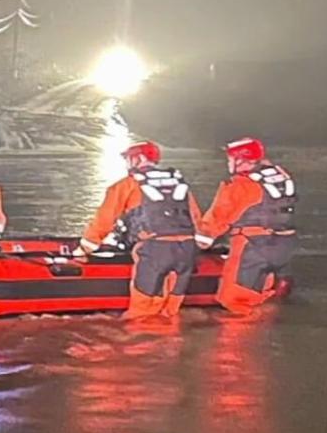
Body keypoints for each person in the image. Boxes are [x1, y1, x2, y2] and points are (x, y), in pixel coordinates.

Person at [77, 140, 205, 320]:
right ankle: (170, 344)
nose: (127, 164)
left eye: (129, 159)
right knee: (170, 311)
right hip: (186, 251)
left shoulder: (126, 185)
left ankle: (142, 346)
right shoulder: (179, 184)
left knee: (142, 312)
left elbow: (104, 221)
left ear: (139, 159)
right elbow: (197, 219)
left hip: (154, 251)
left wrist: (85, 249)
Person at [196, 136, 297, 313]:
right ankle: (263, 337)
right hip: (283, 246)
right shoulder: (282, 176)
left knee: (234, 300)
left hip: (252, 247)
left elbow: (217, 220)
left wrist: (198, 243)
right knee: (261, 298)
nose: (228, 163)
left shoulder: (241, 185)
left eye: (230, 159)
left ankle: (238, 339)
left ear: (241, 160)